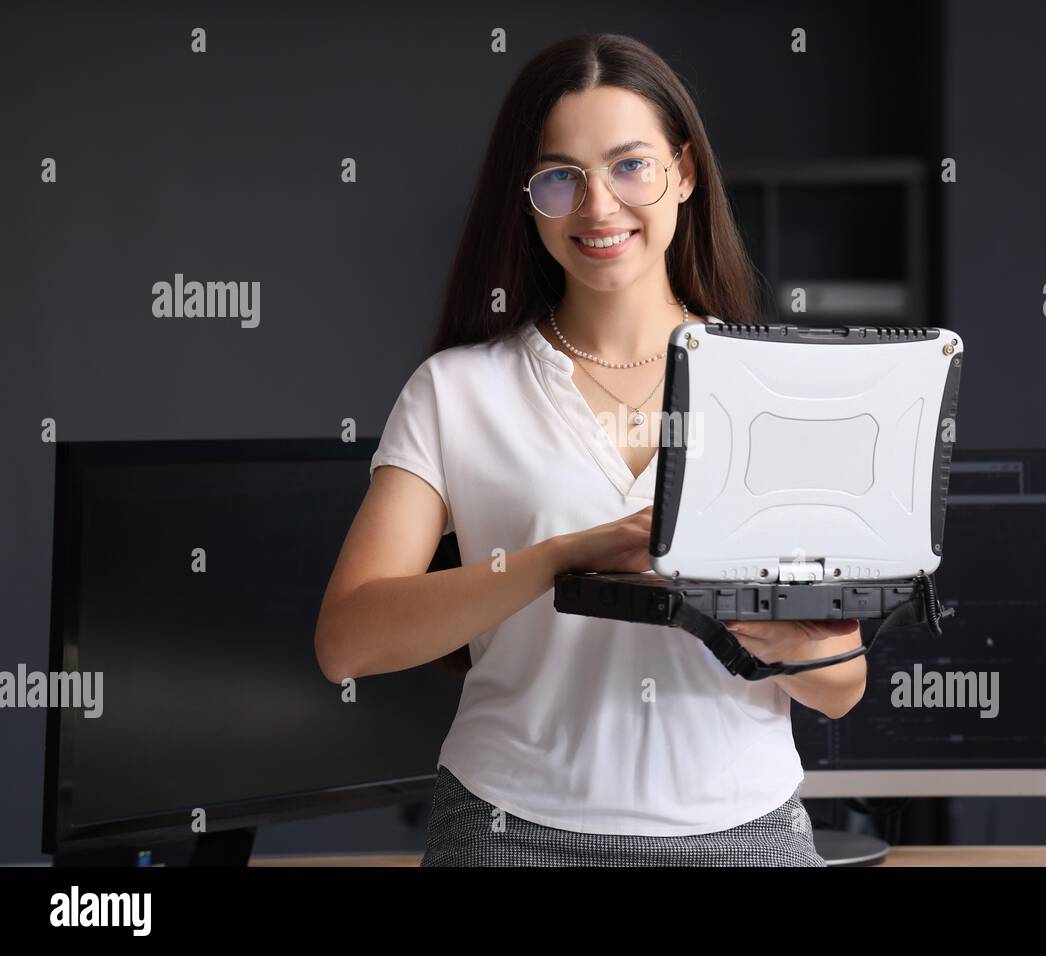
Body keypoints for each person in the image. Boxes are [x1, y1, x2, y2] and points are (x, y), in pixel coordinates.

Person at [314, 33, 866, 867]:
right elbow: (347, 642)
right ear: (530, 198)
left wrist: (773, 634)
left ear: (683, 173)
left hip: (745, 832)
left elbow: (841, 687)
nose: (599, 207)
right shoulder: (456, 390)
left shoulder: (778, 389)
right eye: (561, 177)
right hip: (507, 830)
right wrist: (559, 561)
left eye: (631, 166)